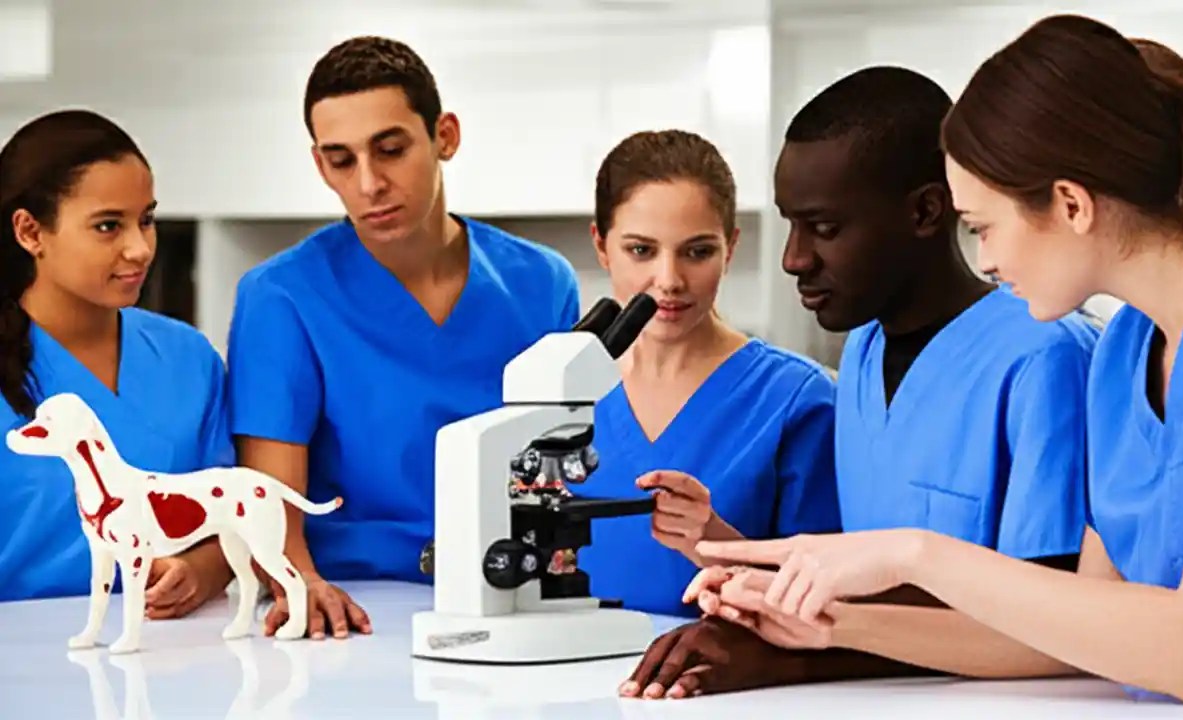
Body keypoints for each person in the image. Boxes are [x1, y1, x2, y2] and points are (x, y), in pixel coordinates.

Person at [688, 16, 1183, 707]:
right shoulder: (1124, 353)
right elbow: (1070, 632)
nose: (987, 261)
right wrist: (828, 624)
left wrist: (913, 552)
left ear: (1070, 204)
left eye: (982, 227)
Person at [621, 65, 1099, 699]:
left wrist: (785, 655)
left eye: (824, 228)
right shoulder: (866, 351)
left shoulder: (1044, 358)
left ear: (927, 211)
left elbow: (1051, 625)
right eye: (791, 225)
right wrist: (734, 570)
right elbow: (856, 576)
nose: (794, 258)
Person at [225, 36, 580, 640]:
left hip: (514, 592)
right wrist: (298, 582)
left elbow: (566, 463)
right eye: (341, 161)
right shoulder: (281, 296)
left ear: (445, 136)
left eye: (390, 150)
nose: (368, 184)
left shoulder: (542, 282)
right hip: (356, 602)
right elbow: (269, 496)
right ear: (319, 165)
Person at [570, 129, 841, 617]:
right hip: (565, 674)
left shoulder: (796, 401)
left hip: (723, 685)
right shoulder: (556, 392)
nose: (669, 281)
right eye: (641, 251)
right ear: (601, 245)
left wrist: (709, 537)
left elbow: (828, 605)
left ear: (730, 247)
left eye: (697, 252)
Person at [0, 110, 235, 616]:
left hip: (173, 656)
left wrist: (199, 572)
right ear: (30, 232)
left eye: (146, 219)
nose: (140, 248)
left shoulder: (188, 359)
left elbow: (231, 518)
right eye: (109, 226)